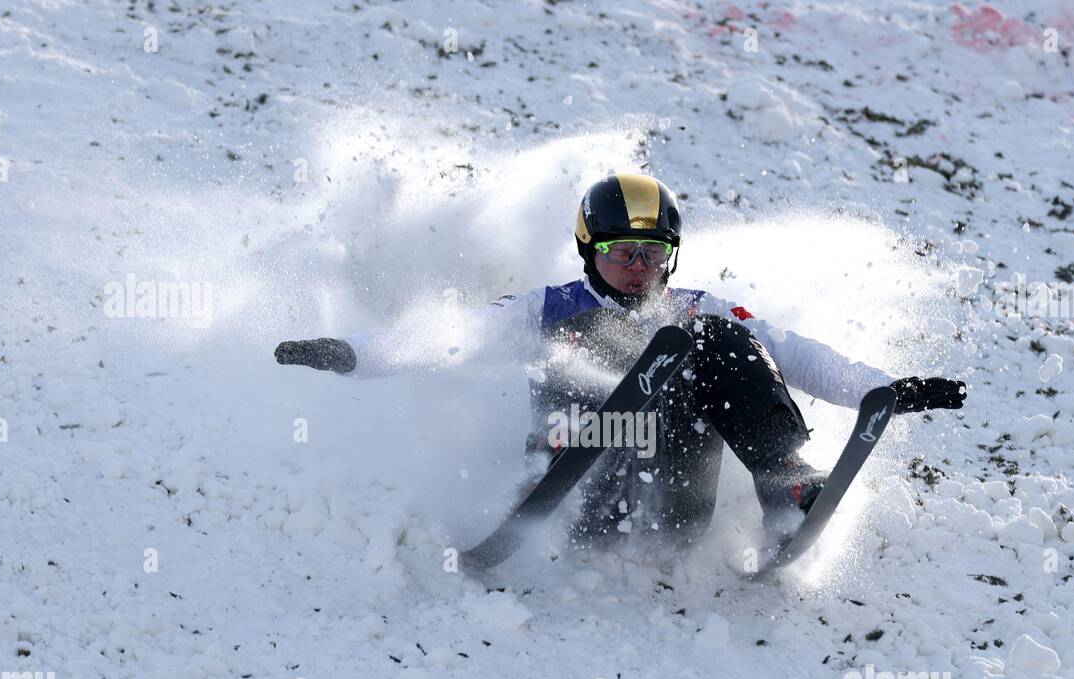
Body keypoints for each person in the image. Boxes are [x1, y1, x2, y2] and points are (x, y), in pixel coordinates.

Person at [275, 173, 966, 548]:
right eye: (619, 253)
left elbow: (796, 356)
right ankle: (549, 483)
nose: (638, 270)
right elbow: (450, 337)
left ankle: (785, 483)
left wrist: (884, 390)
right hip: (585, 485)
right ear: (588, 251)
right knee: (602, 344)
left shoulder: (696, 307)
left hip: (675, 499)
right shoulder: (542, 307)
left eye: (651, 255)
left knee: (721, 341)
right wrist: (353, 354)